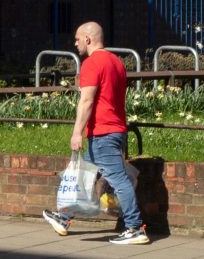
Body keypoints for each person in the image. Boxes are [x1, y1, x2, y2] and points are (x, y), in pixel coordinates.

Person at [45, 19, 148, 244]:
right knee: (85, 176)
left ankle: (134, 227)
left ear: (88, 39)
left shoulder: (92, 64)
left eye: (77, 38)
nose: (75, 43)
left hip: (103, 133)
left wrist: (76, 132)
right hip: (114, 130)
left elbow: (87, 101)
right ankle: (63, 217)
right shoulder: (116, 62)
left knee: (119, 180)